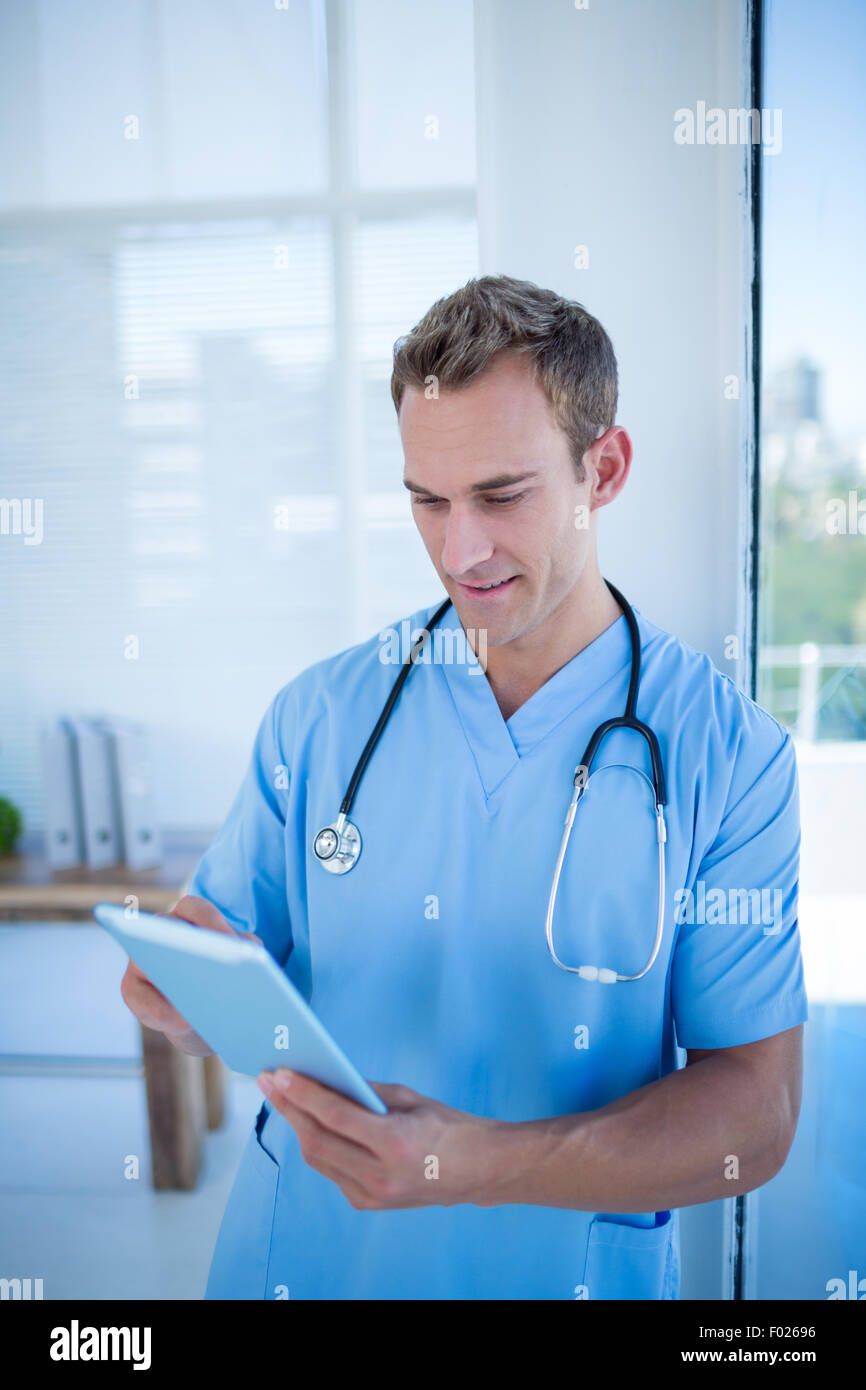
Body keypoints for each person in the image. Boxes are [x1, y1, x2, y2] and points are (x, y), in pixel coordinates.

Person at [120, 275, 807, 1300]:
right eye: (426, 500)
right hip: (305, 1262)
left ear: (601, 468)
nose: (458, 549)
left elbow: (752, 1119)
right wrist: (180, 987)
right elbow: (218, 940)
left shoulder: (726, 755)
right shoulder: (321, 717)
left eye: (499, 495)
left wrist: (475, 1164)